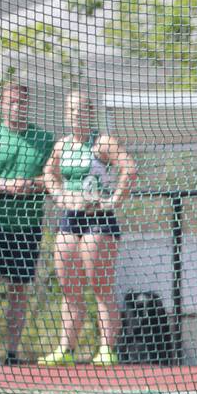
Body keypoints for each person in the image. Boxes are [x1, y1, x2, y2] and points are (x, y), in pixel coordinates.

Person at [40, 92, 136, 366]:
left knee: (100, 287)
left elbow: (129, 169)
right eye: (71, 110)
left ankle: (106, 348)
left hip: (99, 221)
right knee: (69, 288)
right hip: (71, 219)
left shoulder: (103, 142)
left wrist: (113, 200)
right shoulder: (63, 145)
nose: (76, 115)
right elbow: (49, 173)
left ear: (90, 113)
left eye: (82, 110)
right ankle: (65, 349)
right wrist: (59, 195)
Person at [0, 81, 55, 366]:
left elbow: (54, 179)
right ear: (2, 104)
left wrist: (32, 184)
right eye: (11, 102)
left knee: (19, 288)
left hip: (27, 225)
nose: (16, 107)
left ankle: (12, 352)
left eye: (21, 102)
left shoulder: (43, 139)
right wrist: (8, 186)